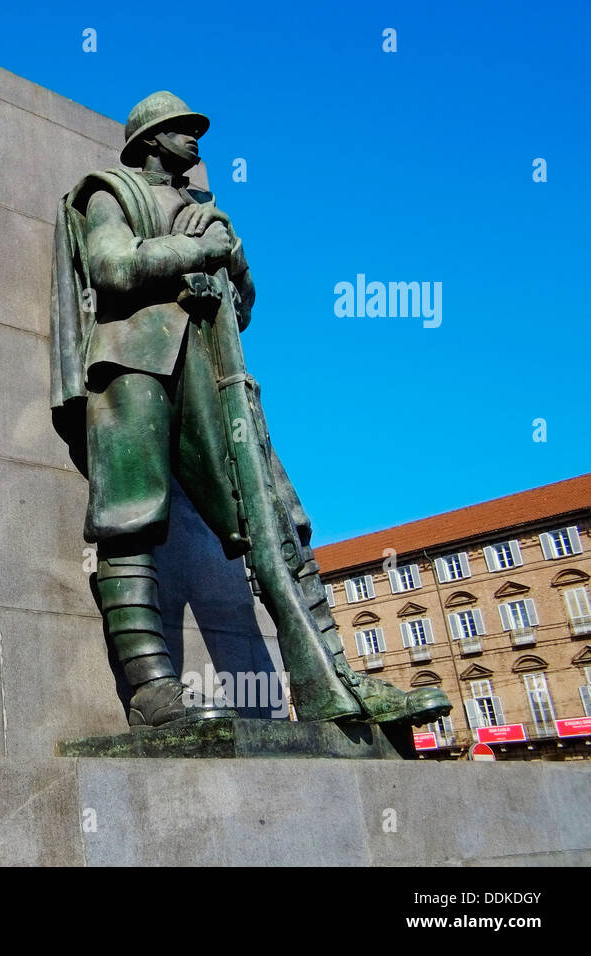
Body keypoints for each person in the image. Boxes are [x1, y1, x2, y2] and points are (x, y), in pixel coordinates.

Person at [51, 91, 450, 728]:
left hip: (214, 371)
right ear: (150, 140)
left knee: (276, 517)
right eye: (181, 129)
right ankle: (152, 690)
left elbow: (243, 305)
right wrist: (195, 253)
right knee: (130, 515)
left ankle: (336, 680)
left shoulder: (208, 211)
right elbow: (111, 268)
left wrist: (232, 257)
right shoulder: (109, 191)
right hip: (135, 363)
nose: (195, 138)